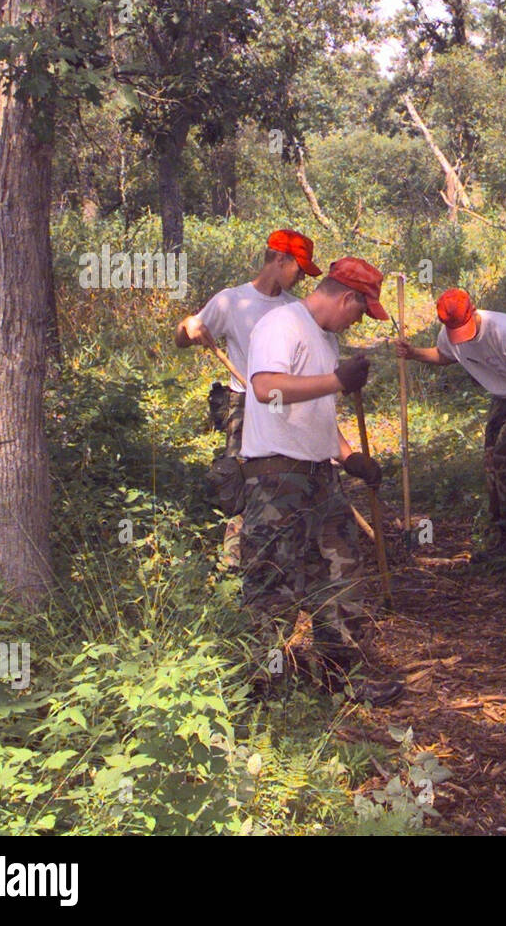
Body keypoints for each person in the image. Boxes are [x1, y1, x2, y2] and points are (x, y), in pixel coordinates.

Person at [239, 256, 403, 706]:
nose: (356, 322)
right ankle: (260, 693)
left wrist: (349, 458)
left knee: (341, 577)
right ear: (346, 296)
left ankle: (339, 681)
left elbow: (314, 415)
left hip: (320, 476)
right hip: (277, 477)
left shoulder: (325, 340)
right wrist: (335, 380)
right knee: (272, 585)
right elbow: (266, 388)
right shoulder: (281, 325)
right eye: (359, 311)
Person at [175, 229, 321, 564]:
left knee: (287, 480)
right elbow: (183, 337)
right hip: (243, 405)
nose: (301, 278)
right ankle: (236, 565)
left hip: (282, 406)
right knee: (241, 486)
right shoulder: (231, 301)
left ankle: (284, 558)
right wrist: (189, 326)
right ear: (280, 259)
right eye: (299, 269)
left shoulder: (296, 309)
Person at [393, 288, 506, 562]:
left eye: (464, 328)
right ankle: (499, 534)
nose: (461, 336)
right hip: (503, 395)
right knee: (490, 462)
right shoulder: (450, 333)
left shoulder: (503, 330)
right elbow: (447, 355)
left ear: (473, 311)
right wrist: (414, 353)